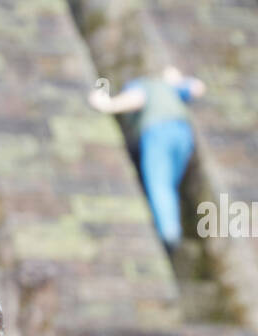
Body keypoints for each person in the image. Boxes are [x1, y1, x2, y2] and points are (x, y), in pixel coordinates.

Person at [87, 65, 206, 251]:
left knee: (159, 183)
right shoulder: (174, 90)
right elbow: (198, 87)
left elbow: (136, 99)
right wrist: (177, 81)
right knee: (169, 185)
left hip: (157, 132)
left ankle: (169, 232)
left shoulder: (145, 85)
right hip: (183, 134)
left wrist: (107, 104)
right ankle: (170, 225)